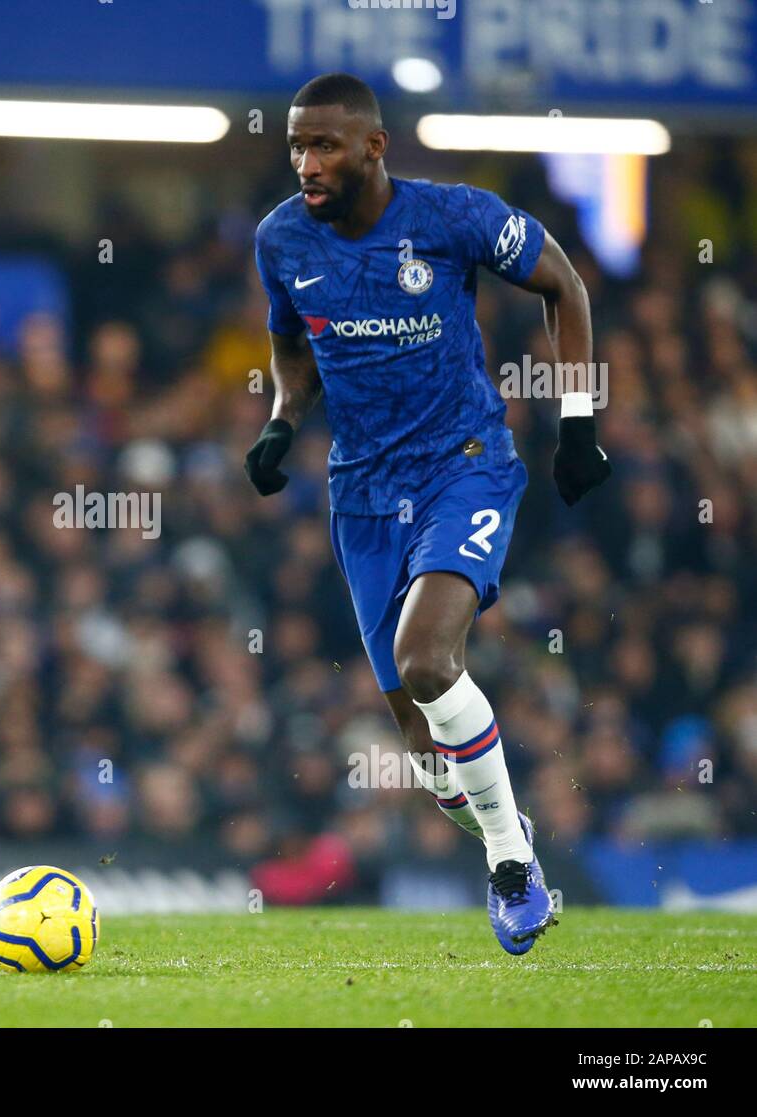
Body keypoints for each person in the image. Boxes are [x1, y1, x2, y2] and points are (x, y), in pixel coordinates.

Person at [244, 72, 611, 954]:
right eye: (296, 145)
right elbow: (291, 343)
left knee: (427, 659)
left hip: (464, 464)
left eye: (323, 144)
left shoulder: (452, 217)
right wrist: (280, 422)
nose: (305, 162)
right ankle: (504, 829)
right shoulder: (281, 239)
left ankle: (512, 867)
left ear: (374, 146)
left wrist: (578, 422)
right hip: (362, 493)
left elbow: (564, 283)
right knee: (420, 737)